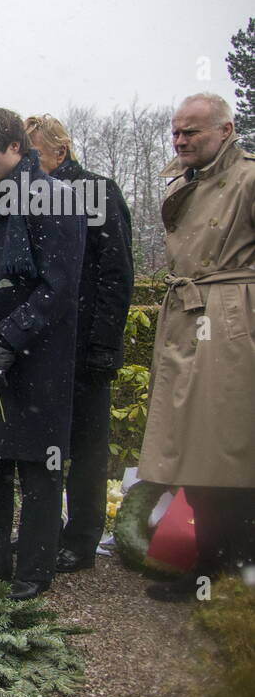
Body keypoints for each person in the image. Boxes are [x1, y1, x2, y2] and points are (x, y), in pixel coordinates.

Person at [0, 108, 85, 601]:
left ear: (14, 148)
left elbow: (59, 286)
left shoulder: (58, 200)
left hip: (37, 357)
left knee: (38, 467)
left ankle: (34, 567)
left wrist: (13, 339)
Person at [139, 93, 255, 592]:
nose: (180, 140)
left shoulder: (249, 179)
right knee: (195, 453)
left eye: (193, 132)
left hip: (232, 322)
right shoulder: (189, 181)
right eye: (176, 131)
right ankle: (211, 567)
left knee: (229, 450)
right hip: (192, 315)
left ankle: (230, 572)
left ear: (226, 131)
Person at [25, 114, 134, 573]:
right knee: (47, 445)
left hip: (84, 346)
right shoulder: (29, 198)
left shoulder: (97, 192)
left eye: (34, 156)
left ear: (60, 152)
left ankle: (82, 538)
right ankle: (45, 533)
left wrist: (103, 347)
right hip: (47, 346)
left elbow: (116, 276)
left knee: (87, 449)